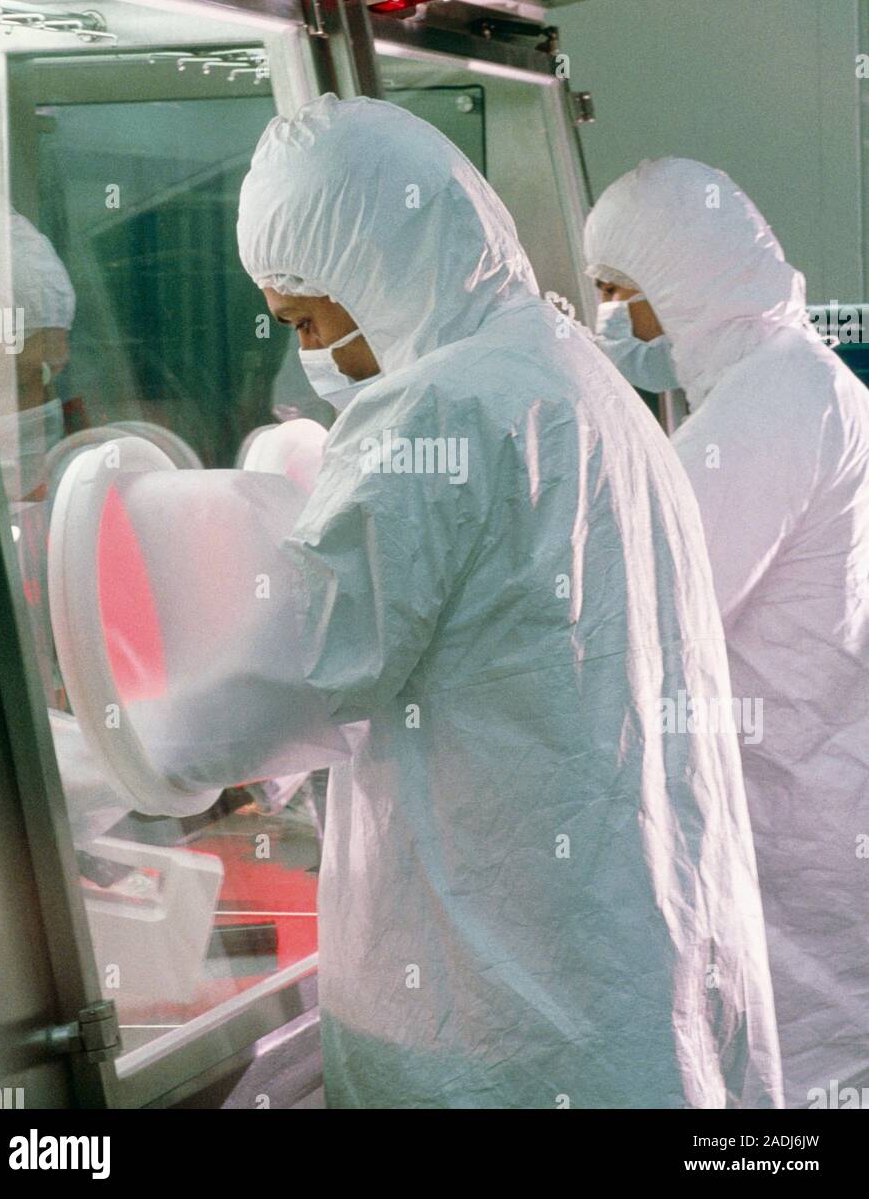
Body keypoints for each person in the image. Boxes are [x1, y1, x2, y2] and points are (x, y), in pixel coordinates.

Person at [232, 94, 784, 1109]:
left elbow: (293, 677)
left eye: (307, 317)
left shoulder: (434, 406)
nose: (313, 353)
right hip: (620, 976)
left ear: (371, 269)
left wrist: (145, 729)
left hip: (505, 1028)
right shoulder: (571, 368)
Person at [583, 156, 869, 1108]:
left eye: (620, 293)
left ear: (685, 282)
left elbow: (655, 597)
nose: (612, 319)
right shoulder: (803, 378)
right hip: (819, 767)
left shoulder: (765, 403)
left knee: (799, 1063)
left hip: (789, 793)